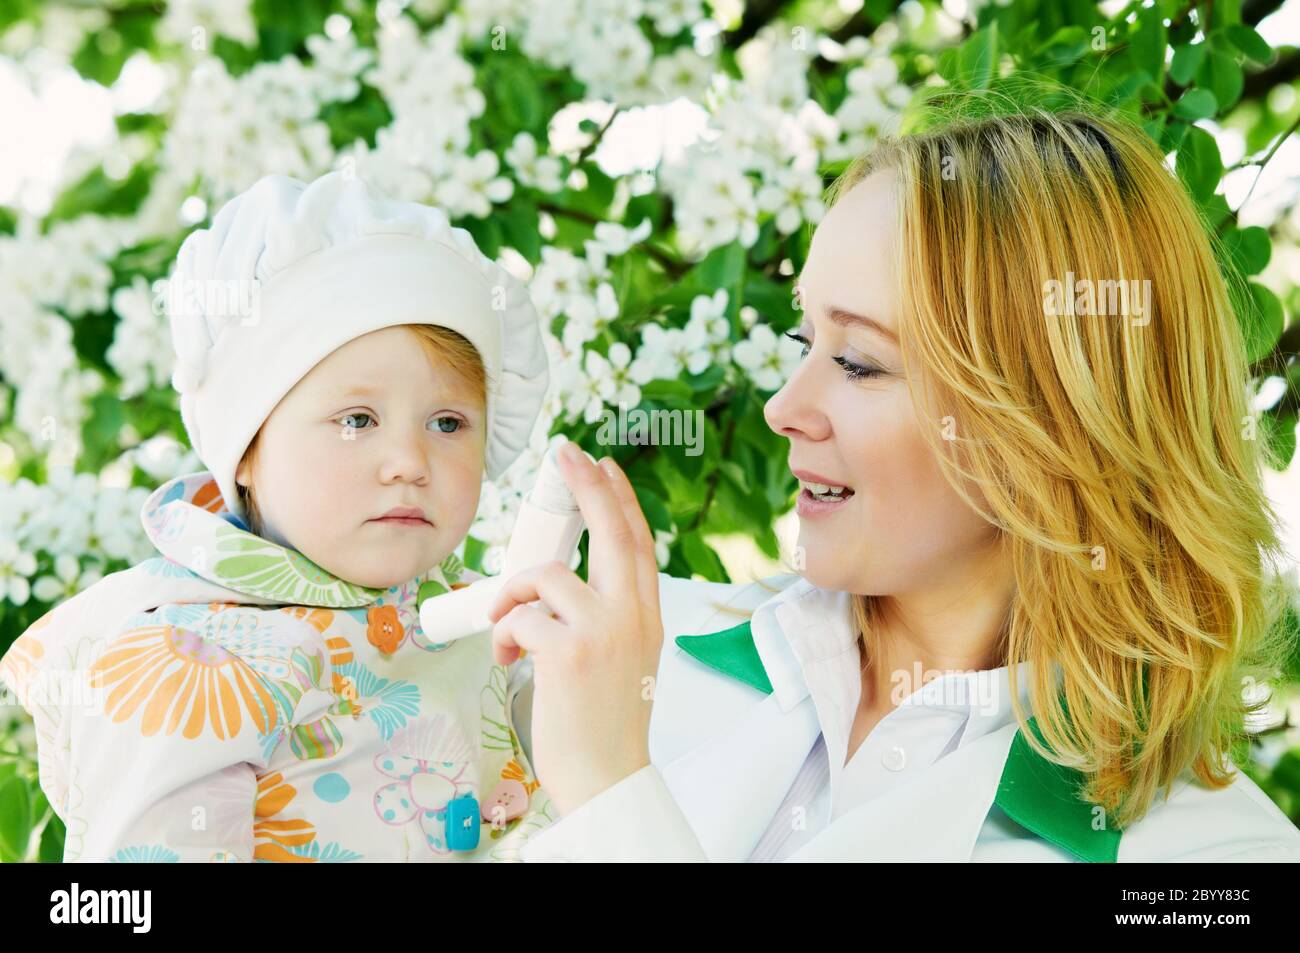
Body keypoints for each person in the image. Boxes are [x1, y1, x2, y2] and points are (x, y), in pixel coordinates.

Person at [492, 101, 1300, 862]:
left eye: (858, 362)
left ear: (1053, 425)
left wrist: (612, 798)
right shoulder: (622, 655)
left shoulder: (1212, 859)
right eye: (801, 339)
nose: (782, 407)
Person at [0, 171, 558, 861]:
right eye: (357, 418)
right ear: (246, 451)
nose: (410, 460)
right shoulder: (188, 661)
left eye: (448, 421)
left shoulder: (488, 624)